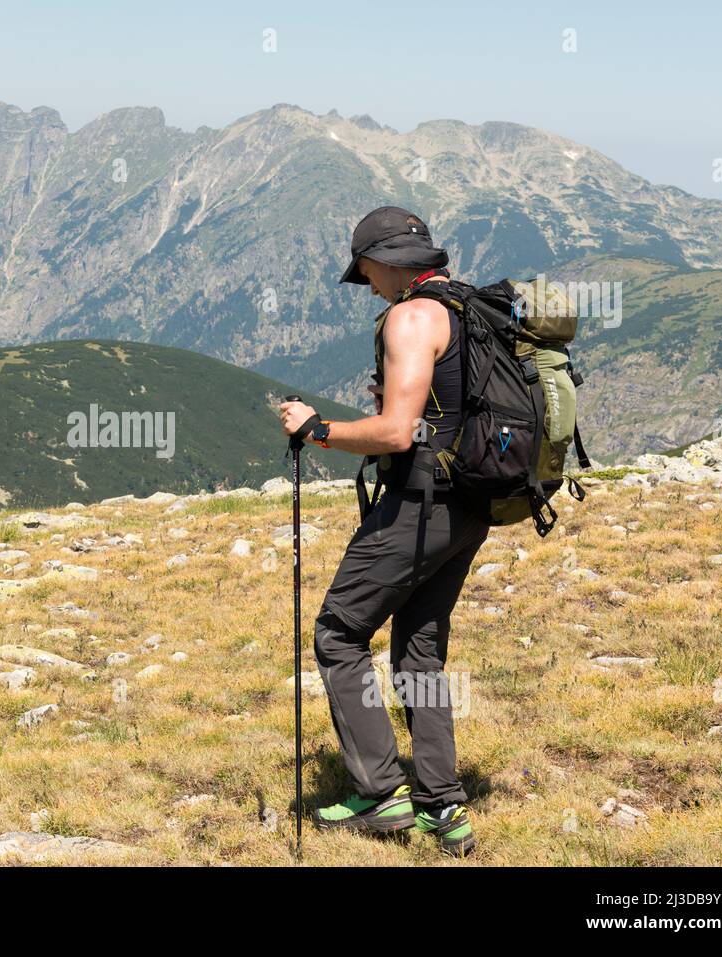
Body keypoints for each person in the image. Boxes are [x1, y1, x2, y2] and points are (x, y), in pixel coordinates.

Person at [280, 206, 488, 855]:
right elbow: (442, 413)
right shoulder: (468, 310)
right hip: (470, 506)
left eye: (365, 271)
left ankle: (379, 793)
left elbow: (398, 433)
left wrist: (317, 429)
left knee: (338, 632)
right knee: (419, 651)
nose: (367, 285)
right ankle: (442, 806)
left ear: (385, 261)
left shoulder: (411, 316)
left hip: (420, 506)